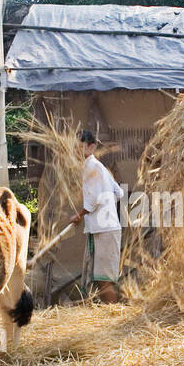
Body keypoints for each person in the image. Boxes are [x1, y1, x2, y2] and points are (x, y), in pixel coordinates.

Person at [70, 130, 124, 303]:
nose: (77, 151)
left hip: (105, 230)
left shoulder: (91, 167)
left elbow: (92, 200)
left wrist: (79, 215)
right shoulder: (99, 167)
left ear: (91, 146)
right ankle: (110, 313)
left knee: (103, 280)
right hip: (106, 228)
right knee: (103, 278)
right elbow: (119, 192)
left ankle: (112, 315)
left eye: (80, 147)